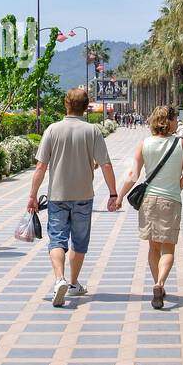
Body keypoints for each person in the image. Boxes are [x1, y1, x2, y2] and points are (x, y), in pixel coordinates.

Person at [27, 87, 120, 307]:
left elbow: (41, 166)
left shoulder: (52, 130)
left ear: (65, 104)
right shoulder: (92, 131)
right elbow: (105, 164)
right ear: (86, 106)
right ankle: (74, 282)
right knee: (79, 241)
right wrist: (113, 193)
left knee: (57, 239)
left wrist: (32, 195)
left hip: (57, 196)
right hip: (84, 195)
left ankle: (60, 279)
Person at [121, 105, 183, 310]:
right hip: (171, 200)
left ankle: (156, 284)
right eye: (176, 119)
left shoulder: (144, 144)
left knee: (153, 247)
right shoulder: (182, 144)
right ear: (169, 121)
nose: (177, 122)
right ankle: (160, 283)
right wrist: (174, 190)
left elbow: (132, 175)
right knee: (168, 246)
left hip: (149, 201)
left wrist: (118, 196)